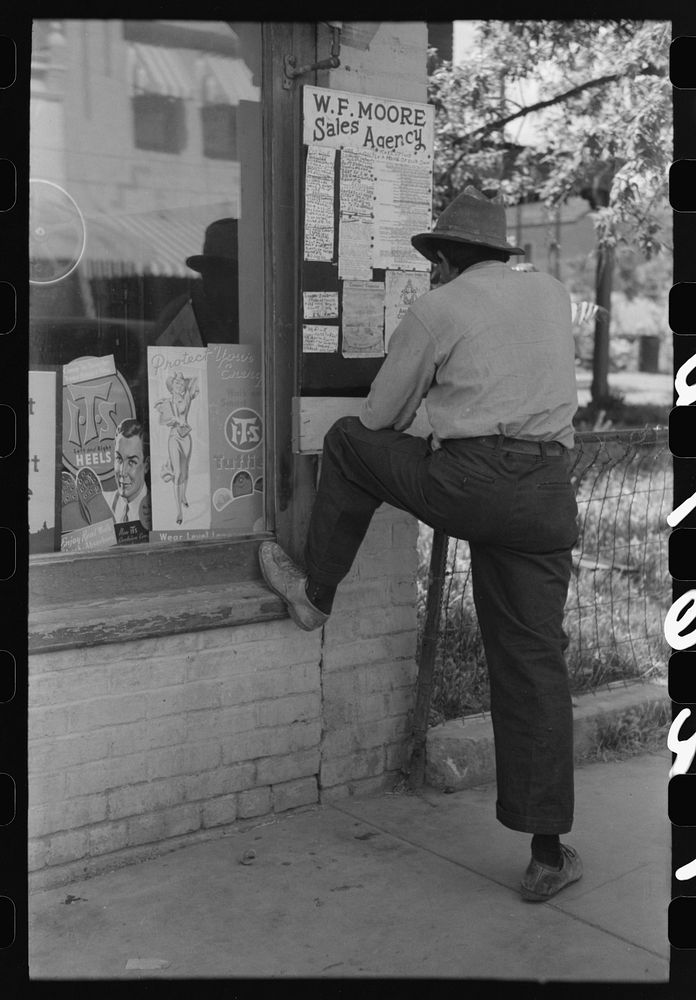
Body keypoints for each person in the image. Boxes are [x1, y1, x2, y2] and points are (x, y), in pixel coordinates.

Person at [259, 186, 583, 903]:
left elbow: (379, 414)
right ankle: (547, 852)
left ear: (442, 259)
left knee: (347, 444)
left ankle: (316, 594)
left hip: (473, 485)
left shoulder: (438, 309)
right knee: (535, 663)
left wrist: (428, 403)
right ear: (499, 253)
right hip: (548, 495)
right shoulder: (553, 294)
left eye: (434, 259)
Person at [152, 218, 239, 347]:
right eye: (215, 270)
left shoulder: (252, 310)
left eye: (229, 272)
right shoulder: (180, 314)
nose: (222, 280)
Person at [154, 371, 199, 525]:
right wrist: (174, 419)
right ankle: (179, 512)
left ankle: (184, 496)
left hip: (186, 437)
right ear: (171, 387)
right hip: (174, 437)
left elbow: (194, 379)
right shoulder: (166, 403)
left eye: (181, 383)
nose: (180, 385)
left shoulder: (186, 398)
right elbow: (163, 420)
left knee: (186, 470)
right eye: (176, 383)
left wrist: (182, 377)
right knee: (178, 472)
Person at [106, 417, 152, 530]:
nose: (122, 471)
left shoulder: (157, 509)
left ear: (146, 466)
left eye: (132, 462)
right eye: (119, 459)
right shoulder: (103, 503)